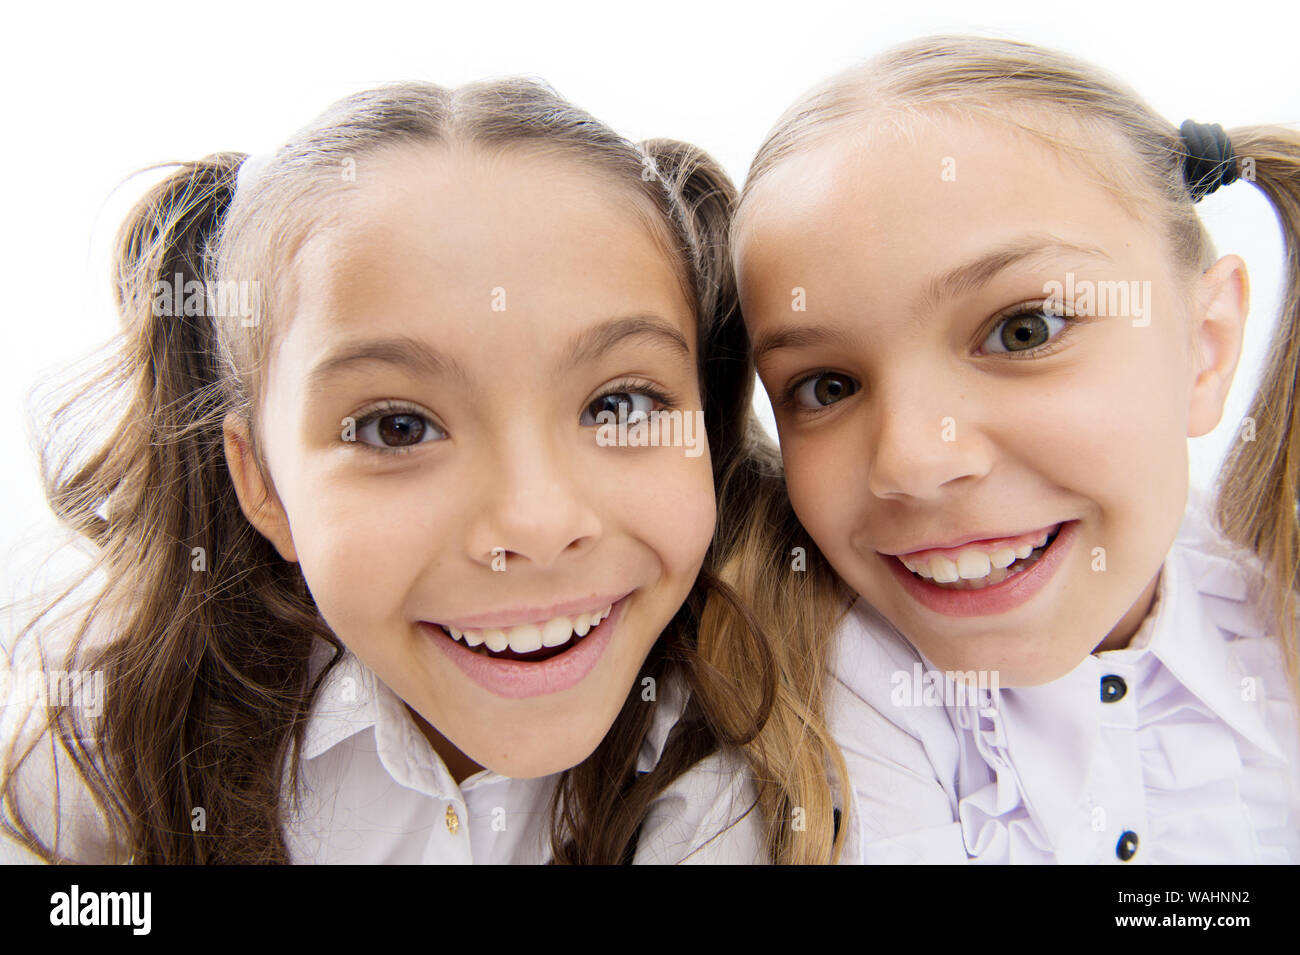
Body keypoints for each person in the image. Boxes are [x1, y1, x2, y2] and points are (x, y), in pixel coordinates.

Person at [1, 77, 826, 864]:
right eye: (397, 427)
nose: (534, 524)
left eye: (619, 407)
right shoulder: (99, 721)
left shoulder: (747, 736)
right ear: (264, 486)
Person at [732, 35, 1300, 863]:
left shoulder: (1270, 629)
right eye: (826, 385)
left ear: (1205, 348)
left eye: (1023, 330)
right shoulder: (811, 718)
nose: (913, 460)